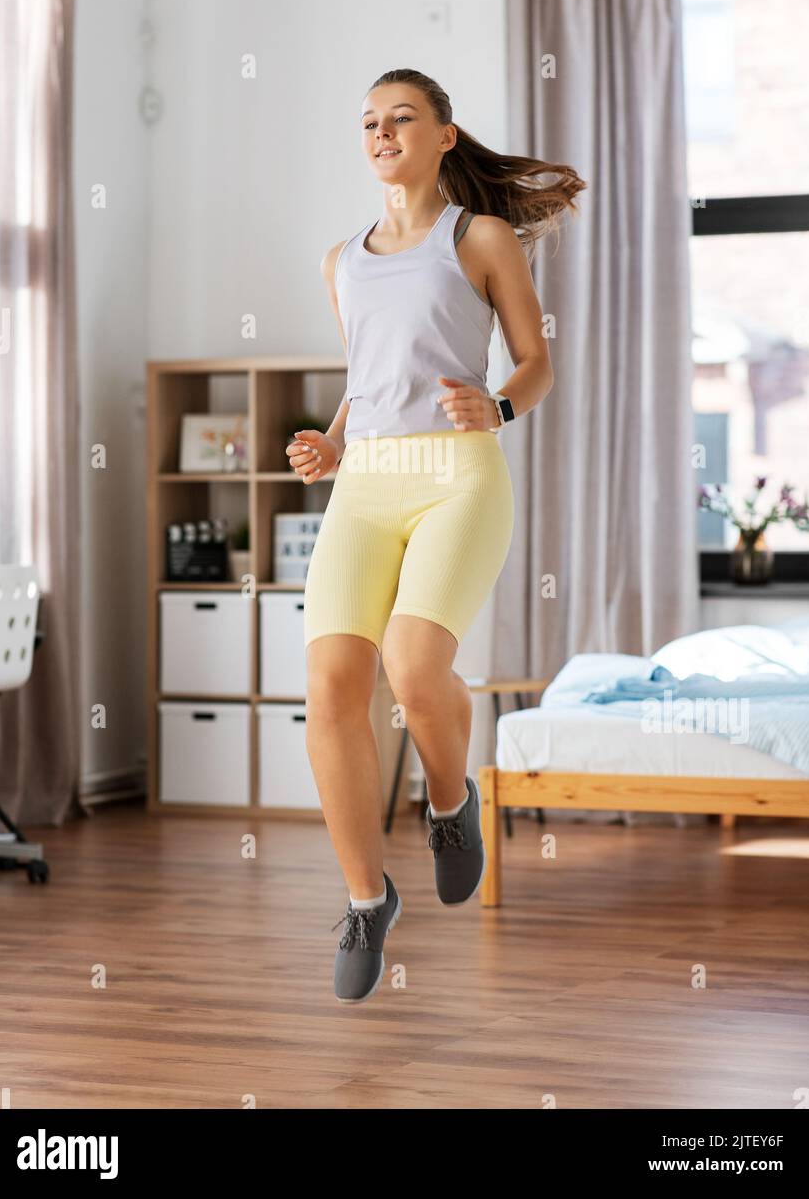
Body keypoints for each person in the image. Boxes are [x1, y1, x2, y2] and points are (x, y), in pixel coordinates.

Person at [286, 67, 585, 1003]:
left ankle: (451, 803)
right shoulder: (343, 259)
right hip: (368, 485)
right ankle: (368, 900)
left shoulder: (481, 237)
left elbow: (536, 362)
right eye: (369, 120)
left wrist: (495, 406)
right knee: (331, 687)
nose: (381, 132)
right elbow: (370, 377)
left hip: (459, 477)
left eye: (401, 117)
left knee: (414, 670)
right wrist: (330, 444)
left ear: (444, 136)